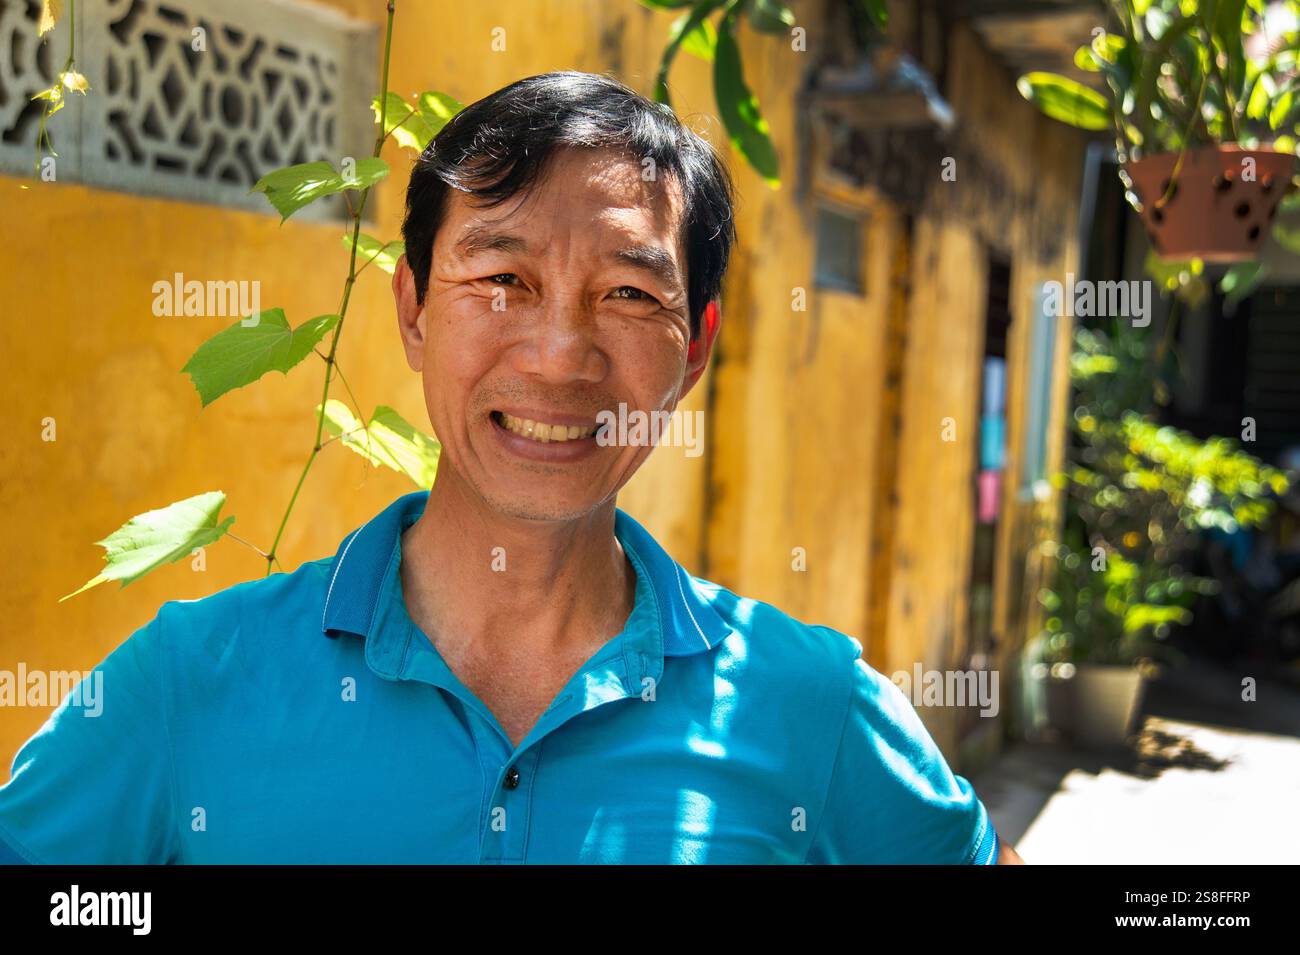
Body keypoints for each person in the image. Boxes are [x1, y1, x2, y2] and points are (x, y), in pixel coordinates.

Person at [0, 71, 1022, 864]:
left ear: (697, 343)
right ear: (411, 308)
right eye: (501, 278)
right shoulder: (187, 684)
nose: (557, 355)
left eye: (628, 293)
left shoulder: (814, 709)